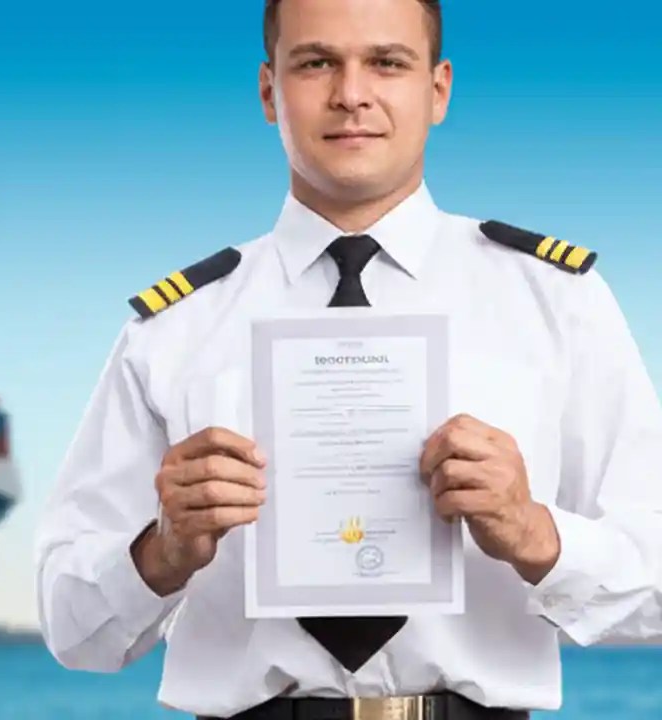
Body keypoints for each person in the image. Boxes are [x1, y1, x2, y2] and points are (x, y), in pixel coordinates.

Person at [32, 0, 662, 718]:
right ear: (270, 91)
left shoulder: (557, 302)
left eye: (387, 62)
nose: (351, 93)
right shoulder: (176, 325)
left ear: (438, 90)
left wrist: (536, 535)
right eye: (316, 62)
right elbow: (71, 628)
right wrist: (163, 551)